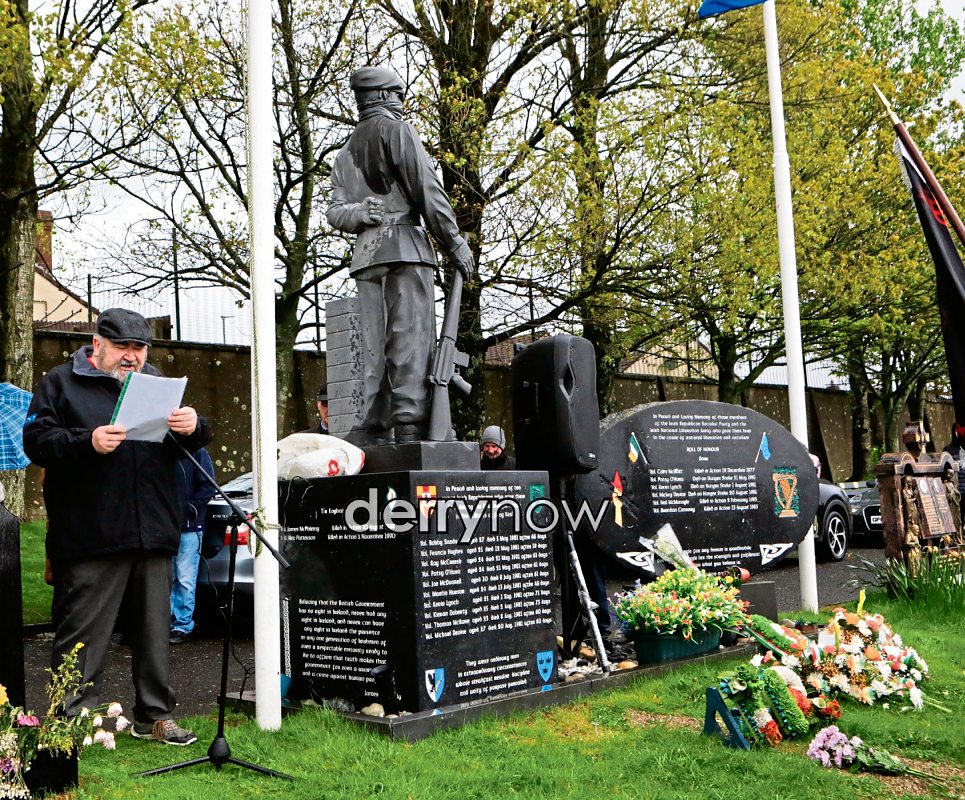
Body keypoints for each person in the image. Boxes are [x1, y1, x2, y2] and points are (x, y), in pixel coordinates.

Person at [23, 308, 211, 746]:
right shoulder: (61, 382)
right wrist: (86, 441)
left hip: (153, 529)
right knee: (84, 634)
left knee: (154, 633)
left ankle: (155, 716)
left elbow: (193, 443)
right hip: (91, 532)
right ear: (98, 343)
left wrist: (193, 427)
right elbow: (36, 442)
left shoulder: (159, 385)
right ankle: (72, 719)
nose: (132, 356)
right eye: (123, 347)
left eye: (140, 347)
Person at [327, 66, 474, 445]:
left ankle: (375, 424)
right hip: (406, 247)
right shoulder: (398, 131)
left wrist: (359, 214)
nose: (401, 104)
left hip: (366, 258)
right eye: (397, 96)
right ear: (381, 98)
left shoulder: (344, 153)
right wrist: (454, 241)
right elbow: (427, 189)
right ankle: (409, 422)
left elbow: (334, 211)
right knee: (410, 340)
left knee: (375, 347)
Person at [169, 447, 216, 645]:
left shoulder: (197, 452)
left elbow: (208, 485)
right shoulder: (163, 448)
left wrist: (189, 509)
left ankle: (182, 625)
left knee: (185, 578)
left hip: (189, 526)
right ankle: (168, 622)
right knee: (168, 578)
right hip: (167, 525)